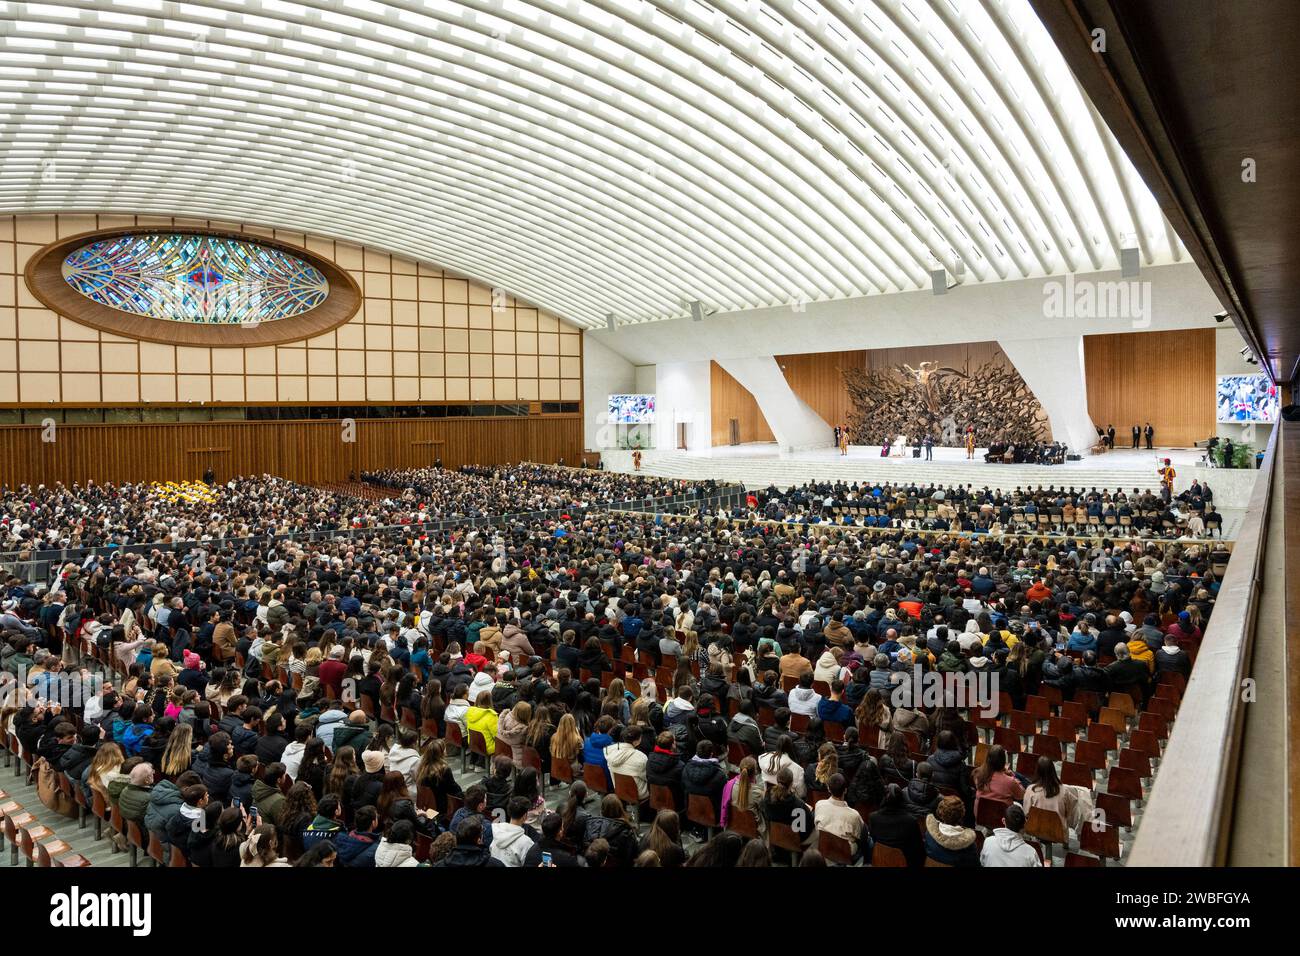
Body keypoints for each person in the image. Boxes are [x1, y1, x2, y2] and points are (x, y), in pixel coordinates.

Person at [812, 772, 863, 861]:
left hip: (824, 846)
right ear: (845, 790)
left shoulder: (819, 804)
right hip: (844, 852)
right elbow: (859, 835)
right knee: (869, 841)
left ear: (828, 789)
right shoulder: (854, 815)